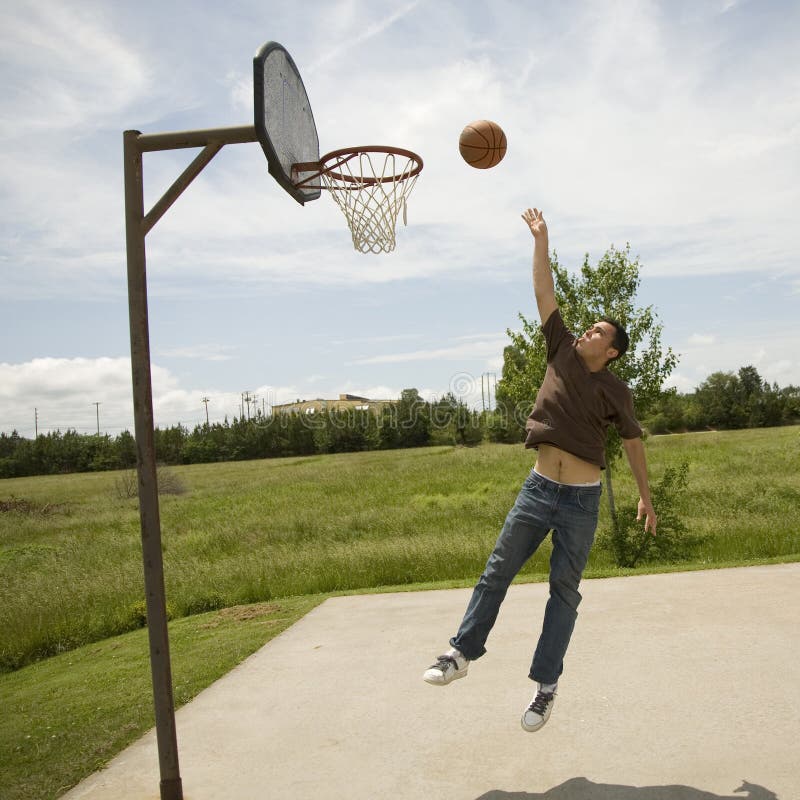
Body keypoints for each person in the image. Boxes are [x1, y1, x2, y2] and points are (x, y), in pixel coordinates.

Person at [423, 207, 657, 733]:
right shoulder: (561, 349)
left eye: (597, 330)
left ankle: (545, 689)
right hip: (538, 489)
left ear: (611, 350)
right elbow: (544, 292)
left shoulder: (616, 391)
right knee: (496, 572)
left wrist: (645, 495)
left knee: (564, 593)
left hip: (580, 501)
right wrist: (541, 240)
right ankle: (460, 654)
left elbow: (634, 442)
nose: (587, 330)